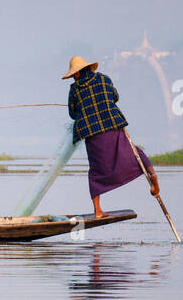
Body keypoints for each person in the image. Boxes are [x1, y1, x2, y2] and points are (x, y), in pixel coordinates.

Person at [62, 55, 159, 218]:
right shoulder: (104, 79)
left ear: (78, 73)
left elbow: (73, 114)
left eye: (73, 74)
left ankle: (98, 210)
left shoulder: (74, 89)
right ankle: (152, 174)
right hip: (113, 126)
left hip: (93, 134)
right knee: (135, 152)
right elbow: (115, 97)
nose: (73, 77)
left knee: (95, 172)